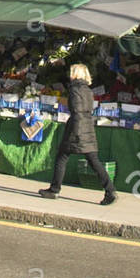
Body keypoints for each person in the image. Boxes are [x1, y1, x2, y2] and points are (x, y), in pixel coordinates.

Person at [38, 63, 117, 205]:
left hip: (76, 127)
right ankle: (110, 190)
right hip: (87, 126)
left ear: (76, 74)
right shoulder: (88, 90)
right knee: (93, 160)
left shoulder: (74, 89)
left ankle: (54, 190)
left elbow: (75, 109)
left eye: (71, 72)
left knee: (61, 157)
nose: (70, 74)